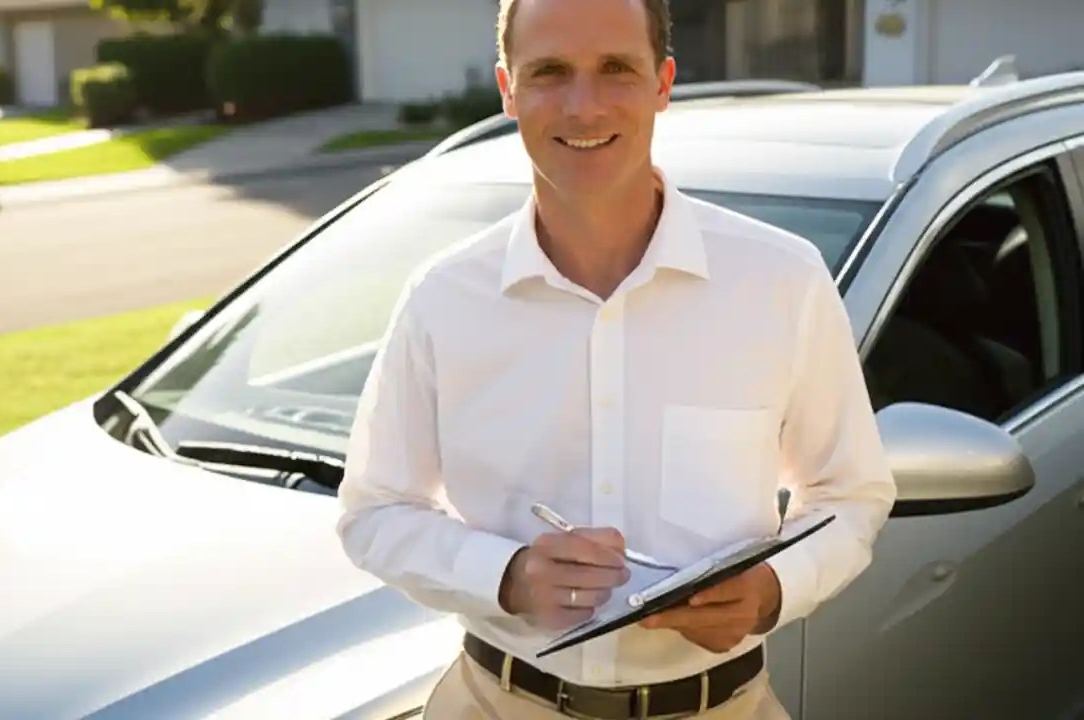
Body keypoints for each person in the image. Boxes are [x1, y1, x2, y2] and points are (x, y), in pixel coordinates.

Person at [335, 0, 897, 717]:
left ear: (662, 83)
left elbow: (852, 495)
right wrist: (503, 575)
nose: (584, 104)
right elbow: (374, 511)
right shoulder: (443, 297)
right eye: (549, 72)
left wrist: (772, 589)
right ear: (508, 88)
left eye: (615, 70)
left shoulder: (781, 280)